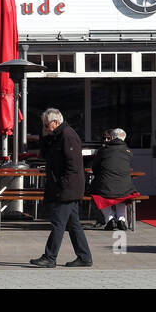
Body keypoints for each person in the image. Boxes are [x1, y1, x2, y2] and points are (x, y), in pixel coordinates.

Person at [31, 108, 93, 268]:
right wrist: (44, 136)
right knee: (73, 224)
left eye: (46, 125)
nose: (44, 128)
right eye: (43, 125)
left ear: (55, 122)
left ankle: (50, 257)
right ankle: (84, 257)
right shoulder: (56, 136)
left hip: (68, 188)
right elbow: (44, 155)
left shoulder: (67, 135)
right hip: (66, 187)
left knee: (58, 223)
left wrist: (63, 186)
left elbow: (73, 165)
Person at [89, 128, 137, 231]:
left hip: (106, 187)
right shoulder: (128, 152)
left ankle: (109, 219)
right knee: (123, 194)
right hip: (125, 188)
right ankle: (121, 220)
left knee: (96, 193)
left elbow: (95, 168)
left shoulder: (103, 150)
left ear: (111, 137)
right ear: (124, 139)